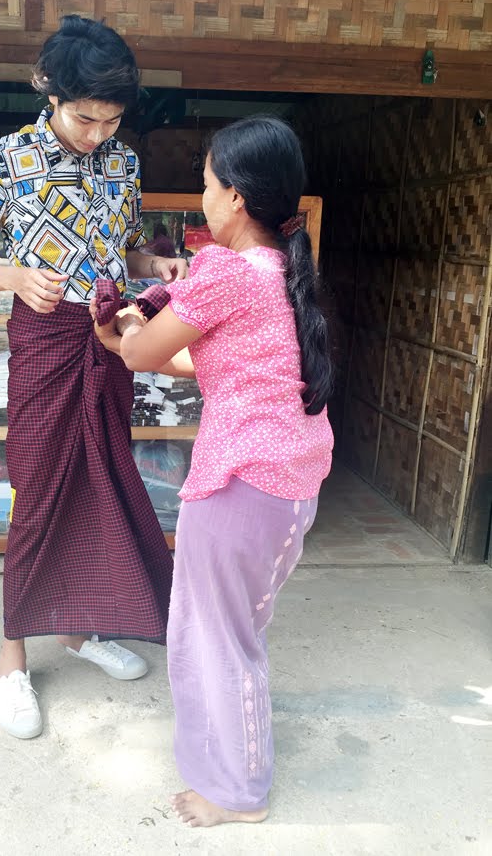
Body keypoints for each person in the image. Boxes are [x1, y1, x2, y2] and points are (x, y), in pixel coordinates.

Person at [0, 15, 186, 739]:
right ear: (47, 91)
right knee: (40, 486)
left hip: (110, 342)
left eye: (111, 120)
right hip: (45, 344)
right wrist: (12, 275)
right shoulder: (4, 160)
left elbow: (127, 255)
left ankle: (81, 630)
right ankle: (9, 658)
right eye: (86, 117)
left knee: (102, 479)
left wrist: (157, 266)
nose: (97, 134)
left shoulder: (123, 163)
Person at [93, 116, 334, 826]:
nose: (201, 198)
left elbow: (144, 352)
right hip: (286, 487)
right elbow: (197, 360)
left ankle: (237, 792)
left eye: (204, 184)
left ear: (234, 198)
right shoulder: (282, 269)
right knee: (237, 636)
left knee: (212, 637)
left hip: (241, 484)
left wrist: (124, 325)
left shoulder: (226, 269)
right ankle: (238, 768)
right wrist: (137, 336)